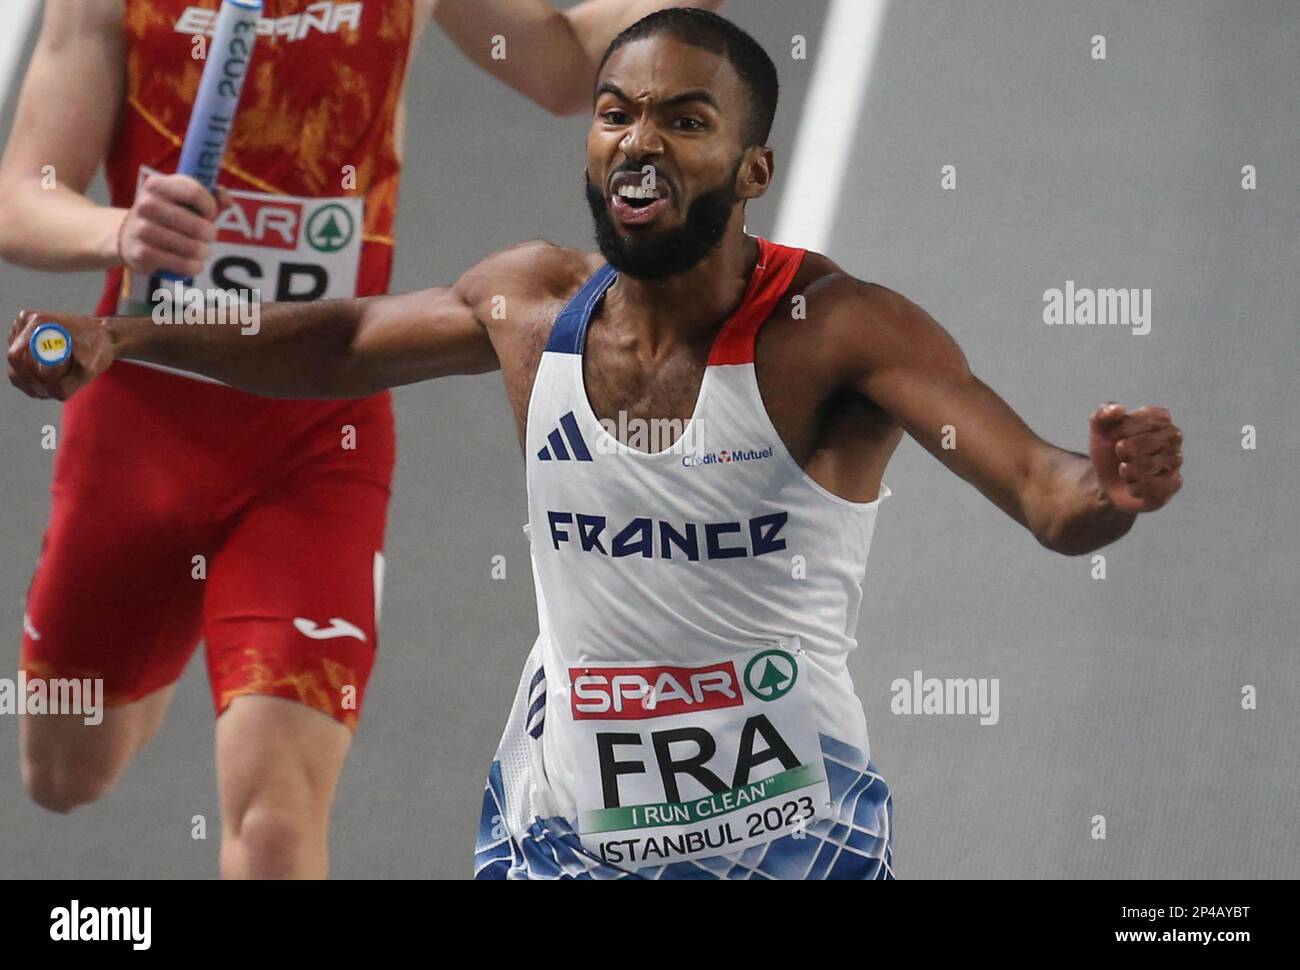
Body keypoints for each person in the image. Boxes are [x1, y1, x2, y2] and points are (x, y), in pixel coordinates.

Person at [8, 8, 1184, 880]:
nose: (638, 143)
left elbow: (1043, 490)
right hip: (560, 842)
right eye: (618, 117)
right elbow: (344, 337)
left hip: (794, 844)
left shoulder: (837, 335)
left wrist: (1109, 489)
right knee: (64, 767)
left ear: (752, 168)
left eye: (685, 121)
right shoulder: (530, 307)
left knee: (257, 826)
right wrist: (119, 332)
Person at [0, 0, 723, 880]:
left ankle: (240, 608)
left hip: (314, 437)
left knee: (274, 830)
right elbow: (21, 194)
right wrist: (119, 231)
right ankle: (179, 618)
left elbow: (569, 64)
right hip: (141, 427)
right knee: (66, 773)